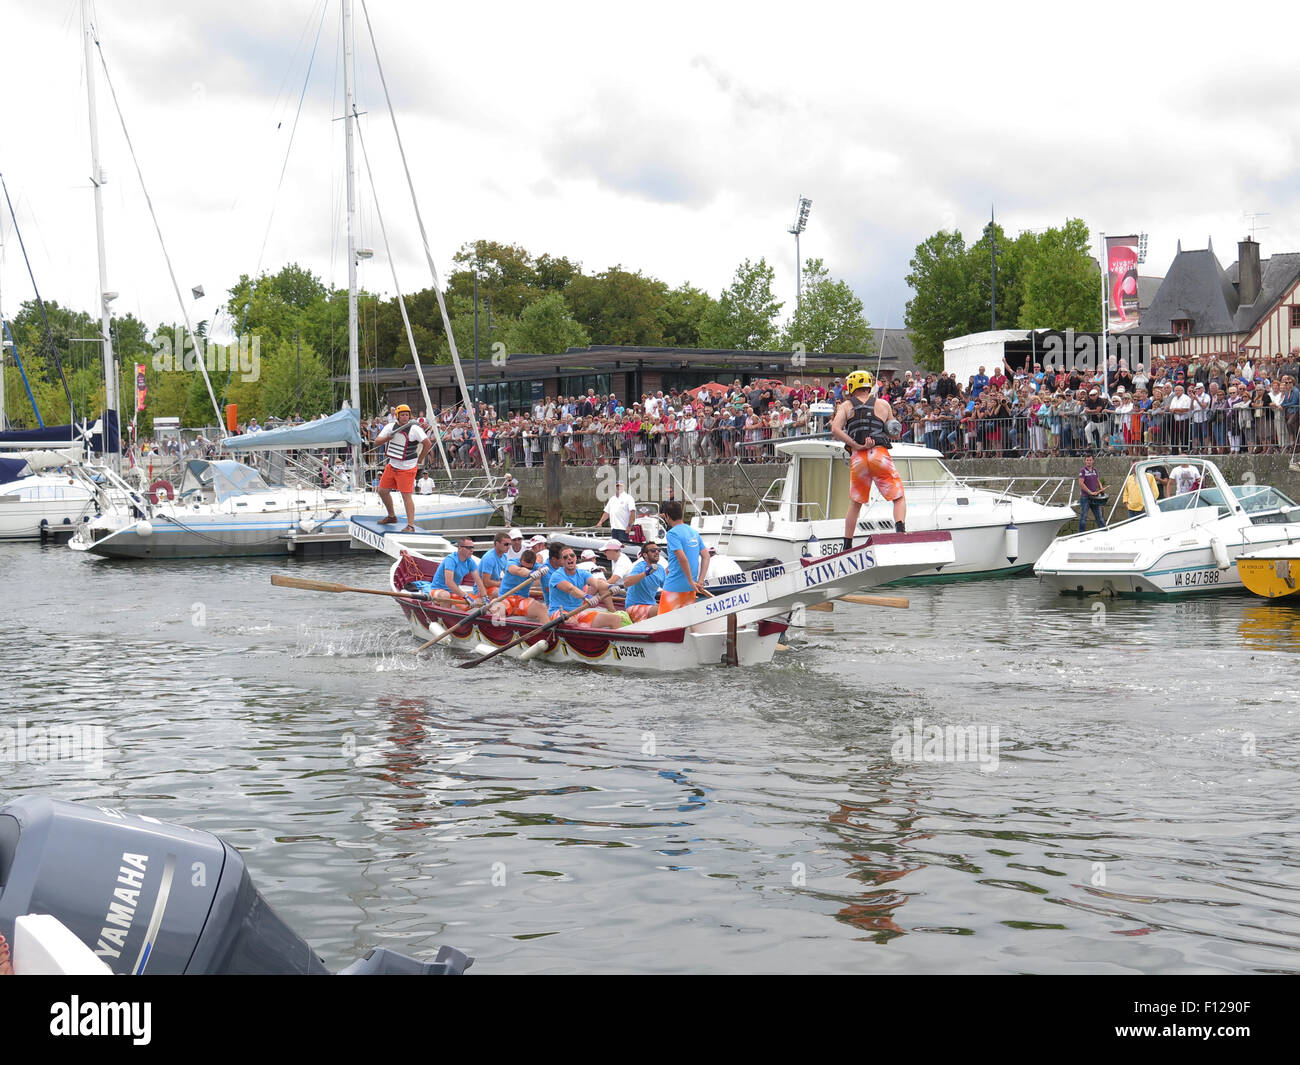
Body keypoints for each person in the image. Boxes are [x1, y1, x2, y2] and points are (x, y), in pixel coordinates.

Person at [831, 368, 907, 546]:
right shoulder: (883, 404)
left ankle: (847, 543)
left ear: (851, 386)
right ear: (869, 385)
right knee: (898, 497)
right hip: (878, 454)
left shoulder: (846, 406)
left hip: (858, 457)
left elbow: (835, 429)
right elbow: (894, 433)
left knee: (855, 504)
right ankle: (901, 532)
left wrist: (856, 445)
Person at [375, 404, 432, 531]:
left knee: (406, 495)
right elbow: (377, 442)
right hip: (392, 464)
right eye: (402, 415)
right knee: (382, 490)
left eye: (407, 414)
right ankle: (391, 516)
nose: (405, 417)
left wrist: (420, 459)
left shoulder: (414, 429)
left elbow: (427, 443)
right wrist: (387, 438)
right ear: (397, 416)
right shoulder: (390, 427)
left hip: (407, 467)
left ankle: (410, 525)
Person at [547, 546, 627, 629]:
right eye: (565, 557)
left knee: (616, 619)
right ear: (562, 561)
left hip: (578, 611)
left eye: (572, 555)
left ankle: (616, 641)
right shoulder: (557, 575)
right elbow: (571, 589)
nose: (569, 558)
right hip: (559, 612)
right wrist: (586, 597)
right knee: (573, 624)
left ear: (575, 558)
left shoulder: (583, 573)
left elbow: (597, 583)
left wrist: (610, 586)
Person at [660, 498, 710, 612]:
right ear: (681, 514)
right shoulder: (693, 532)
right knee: (683, 625)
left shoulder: (672, 533)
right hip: (690, 589)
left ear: (667, 516)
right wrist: (699, 580)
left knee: (664, 626)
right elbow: (706, 556)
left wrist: (690, 581)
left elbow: (682, 558)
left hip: (674, 588)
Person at [432, 537, 492, 605]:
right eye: (468, 548)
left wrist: (485, 597)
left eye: (472, 547)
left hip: (453, 593)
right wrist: (465, 596)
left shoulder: (470, 562)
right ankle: (444, 615)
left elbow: (478, 581)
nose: (472, 550)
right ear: (460, 547)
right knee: (446, 595)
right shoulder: (451, 560)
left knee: (479, 600)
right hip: (437, 591)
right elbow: (449, 582)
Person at [622, 542, 667, 621]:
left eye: (658, 550)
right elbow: (626, 583)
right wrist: (646, 573)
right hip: (634, 607)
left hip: (651, 605)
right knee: (662, 611)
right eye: (653, 550)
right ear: (645, 555)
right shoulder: (639, 567)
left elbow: (668, 588)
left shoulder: (660, 569)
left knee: (672, 608)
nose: (657, 552)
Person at [1077, 454, 1108, 532]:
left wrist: (1101, 487)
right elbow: (1081, 483)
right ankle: (1080, 534)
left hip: (1094, 497)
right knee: (1083, 518)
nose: (1089, 462)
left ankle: (1104, 532)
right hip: (1085, 497)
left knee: (1099, 517)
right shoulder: (1083, 471)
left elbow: (1097, 480)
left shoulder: (1095, 470)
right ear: (1085, 461)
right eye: (1087, 460)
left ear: (1093, 461)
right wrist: (1089, 492)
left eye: (1090, 460)